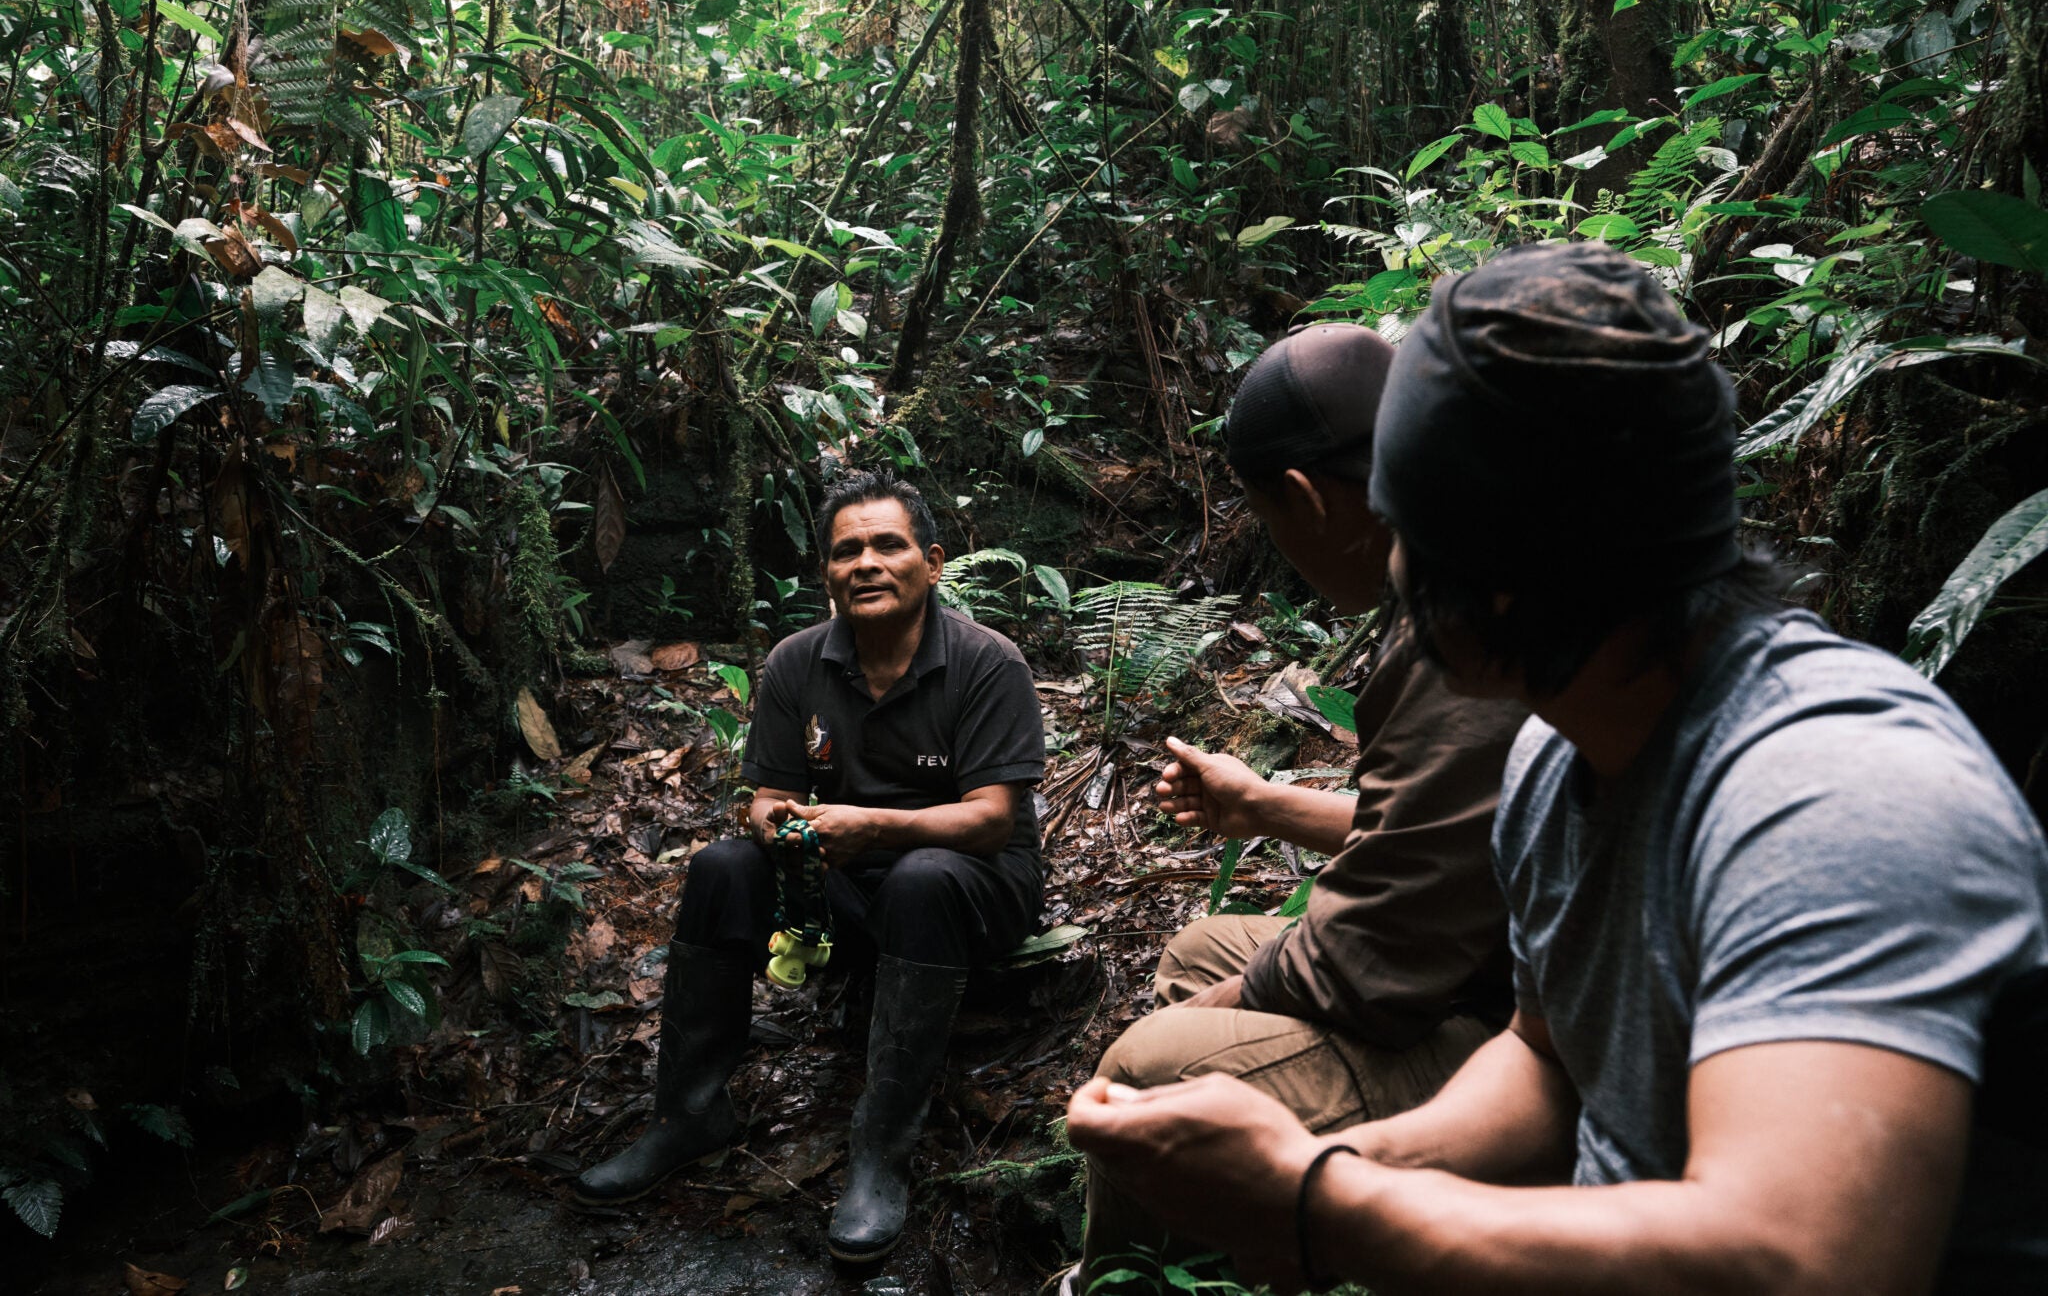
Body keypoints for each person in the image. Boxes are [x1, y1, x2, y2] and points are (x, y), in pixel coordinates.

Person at [1066, 242, 2048, 1293]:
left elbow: (1798, 1262)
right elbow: (1545, 1064)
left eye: (1402, 530)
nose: (1391, 569)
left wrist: (1325, 1202)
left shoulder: (1842, 797)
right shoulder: (1557, 748)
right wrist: (1323, 1171)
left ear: (1489, 576)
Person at [1077, 323, 1528, 1283]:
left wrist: (1221, 1006)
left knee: (1145, 1070)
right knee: (1197, 950)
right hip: (1501, 970)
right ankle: (1235, 1244)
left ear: (1300, 495)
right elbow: (1445, 837)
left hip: (1520, 1031)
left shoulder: (1466, 627)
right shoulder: (1468, 567)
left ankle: (1124, 1280)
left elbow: (1370, 962)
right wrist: (1266, 806)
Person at [574, 470, 1047, 1266]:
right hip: (850, 884)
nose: (866, 562)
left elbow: (993, 819)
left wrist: (872, 827)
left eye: (887, 545)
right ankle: (689, 1114)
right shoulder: (797, 663)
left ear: (932, 563)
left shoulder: (986, 663)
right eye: (846, 550)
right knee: (723, 866)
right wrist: (774, 823)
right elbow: (769, 795)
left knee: (921, 876)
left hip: (975, 889)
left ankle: (880, 1153)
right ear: (827, 573)